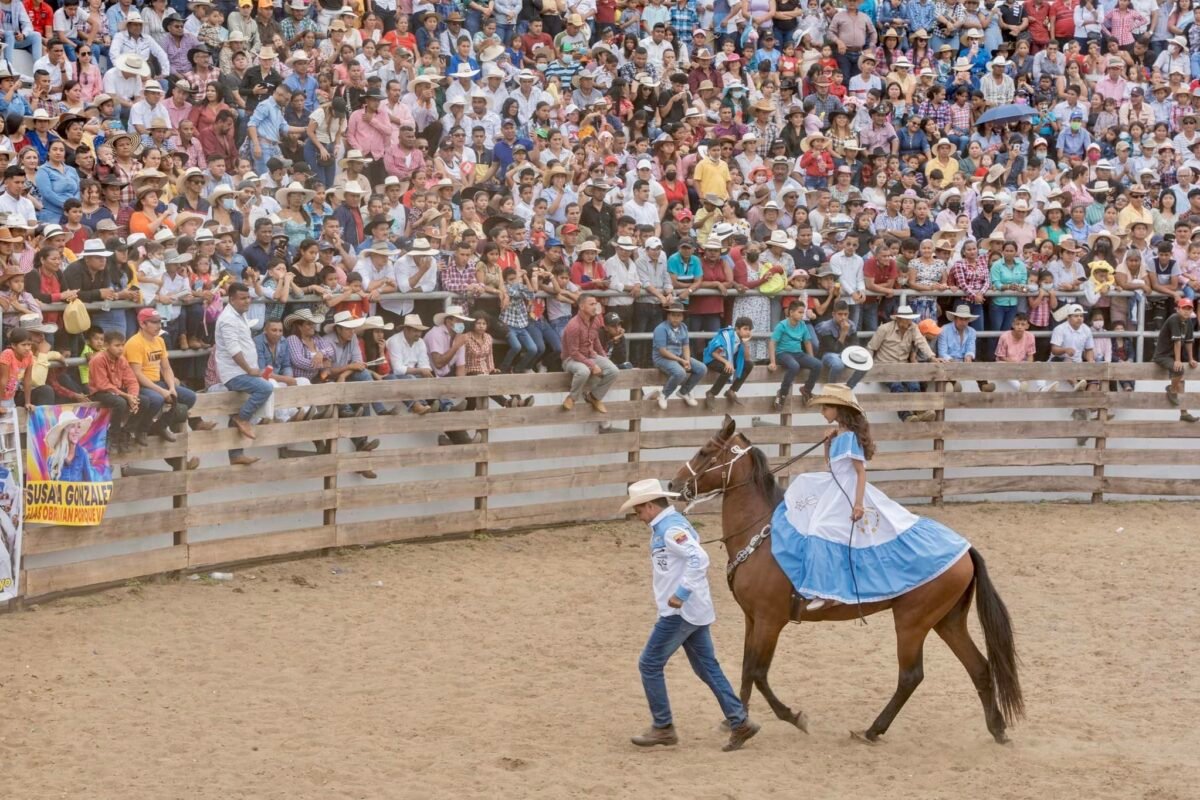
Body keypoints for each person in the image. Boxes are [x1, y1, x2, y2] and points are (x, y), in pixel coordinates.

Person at [772, 384, 970, 612]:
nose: (822, 412)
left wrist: (858, 504)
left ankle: (829, 591)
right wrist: (827, 445)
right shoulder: (840, 437)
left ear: (838, 409)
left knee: (821, 529)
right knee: (810, 513)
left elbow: (860, 471)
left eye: (825, 407)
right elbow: (831, 467)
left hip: (847, 491)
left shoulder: (850, 438)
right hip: (836, 488)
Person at [619, 478, 760, 751]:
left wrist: (680, 594)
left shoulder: (670, 529)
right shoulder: (671, 525)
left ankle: (663, 726)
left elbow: (700, 559)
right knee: (707, 667)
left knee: (649, 664)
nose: (638, 517)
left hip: (679, 612)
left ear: (649, 506)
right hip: (693, 610)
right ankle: (739, 721)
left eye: (638, 511)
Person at [214, 281, 272, 440]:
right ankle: (243, 418)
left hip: (243, 371)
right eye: (242, 298)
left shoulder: (239, 313)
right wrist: (249, 369)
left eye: (248, 297)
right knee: (265, 388)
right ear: (232, 300)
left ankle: (236, 455)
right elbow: (234, 351)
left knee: (238, 407)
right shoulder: (228, 319)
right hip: (235, 373)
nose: (247, 301)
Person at [87, 330, 147, 455]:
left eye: (122, 345)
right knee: (120, 403)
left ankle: (126, 431)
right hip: (100, 392)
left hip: (117, 390)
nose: (121, 349)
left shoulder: (122, 360)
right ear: (106, 345)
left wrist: (133, 397)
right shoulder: (98, 359)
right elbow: (102, 385)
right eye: (117, 345)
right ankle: (113, 435)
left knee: (145, 401)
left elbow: (132, 381)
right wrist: (127, 396)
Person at [560, 295, 619, 413]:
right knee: (583, 371)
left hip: (590, 355)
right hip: (571, 359)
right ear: (582, 306)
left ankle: (595, 397)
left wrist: (604, 357)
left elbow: (595, 339)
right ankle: (572, 397)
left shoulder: (596, 319)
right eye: (591, 304)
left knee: (614, 370)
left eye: (595, 304)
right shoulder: (574, 325)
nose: (595, 307)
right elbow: (573, 353)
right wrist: (592, 365)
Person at [651, 303, 706, 410]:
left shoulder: (684, 327)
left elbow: (686, 346)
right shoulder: (661, 329)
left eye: (679, 315)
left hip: (678, 356)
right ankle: (663, 395)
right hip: (661, 358)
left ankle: (684, 391)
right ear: (668, 315)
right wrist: (681, 360)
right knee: (680, 372)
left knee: (701, 368)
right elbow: (663, 351)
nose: (676, 318)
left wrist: (687, 360)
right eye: (673, 315)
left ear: (682, 317)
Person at [768, 301, 822, 409]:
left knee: (818, 364)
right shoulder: (782, 325)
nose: (802, 315)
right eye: (800, 312)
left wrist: (811, 358)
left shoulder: (803, 325)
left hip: (798, 353)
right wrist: (772, 362)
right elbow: (772, 342)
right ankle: (782, 393)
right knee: (794, 366)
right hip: (783, 353)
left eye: (803, 313)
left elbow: (807, 342)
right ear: (791, 312)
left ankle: (806, 390)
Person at [1153, 297, 1199, 423]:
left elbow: (1189, 342)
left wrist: (1191, 358)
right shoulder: (1174, 319)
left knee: (1182, 382)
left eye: (1189, 309)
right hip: (1163, 356)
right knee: (1179, 370)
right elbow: (1177, 341)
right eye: (1184, 308)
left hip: (1173, 356)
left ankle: (1184, 413)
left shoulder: (1188, 321)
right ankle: (1171, 389)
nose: (1187, 311)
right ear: (1178, 309)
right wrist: (1178, 360)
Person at [702, 318, 753, 408]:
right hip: (712, 359)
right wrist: (727, 362)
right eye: (745, 329)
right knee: (728, 369)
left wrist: (746, 344)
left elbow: (747, 358)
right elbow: (714, 353)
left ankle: (732, 391)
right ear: (737, 329)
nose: (748, 332)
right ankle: (711, 393)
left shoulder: (742, 339)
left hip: (728, 359)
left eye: (749, 329)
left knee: (749, 365)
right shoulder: (727, 336)